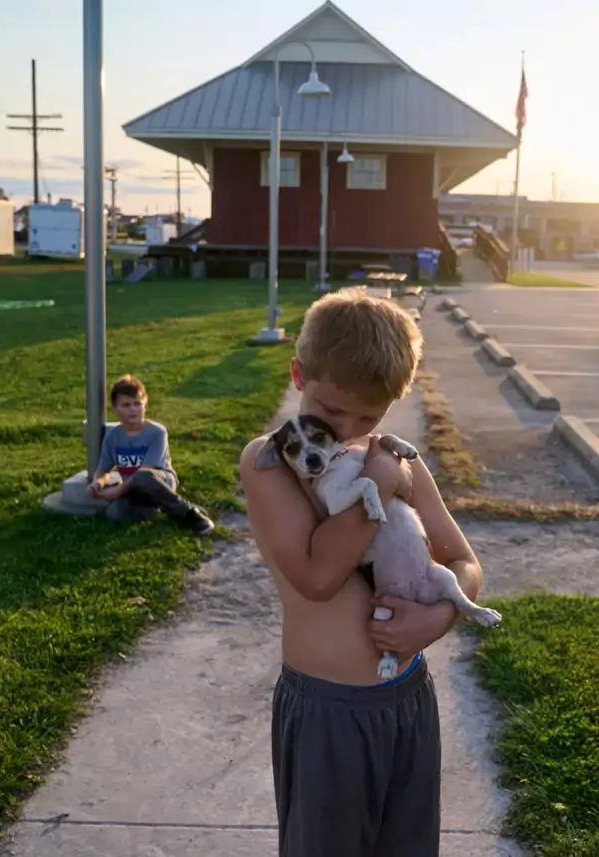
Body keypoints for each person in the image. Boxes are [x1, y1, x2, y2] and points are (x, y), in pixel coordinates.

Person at [239, 290, 484, 857]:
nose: (345, 430)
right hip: (329, 711)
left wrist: (439, 618)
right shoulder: (271, 461)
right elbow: (319, 576)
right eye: (329, 412)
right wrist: (377, 478)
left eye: (369, 418)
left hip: (406, 699)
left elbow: (464, 563)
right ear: (299, 375)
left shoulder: (398, 460)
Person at [88, 374, 214, 535]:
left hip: (159, 480)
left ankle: (189, 512)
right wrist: (97, 484)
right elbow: (103, 470)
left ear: (145, 405)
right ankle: (164, 506)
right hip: (131, 487)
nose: (133, 409)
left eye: (137, 404)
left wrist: (117, 491)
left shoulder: (157, 432)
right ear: (115, 409)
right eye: (126, 405)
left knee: (142, 477)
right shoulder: (112, 436)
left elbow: (145, 470)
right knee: (115, 513)